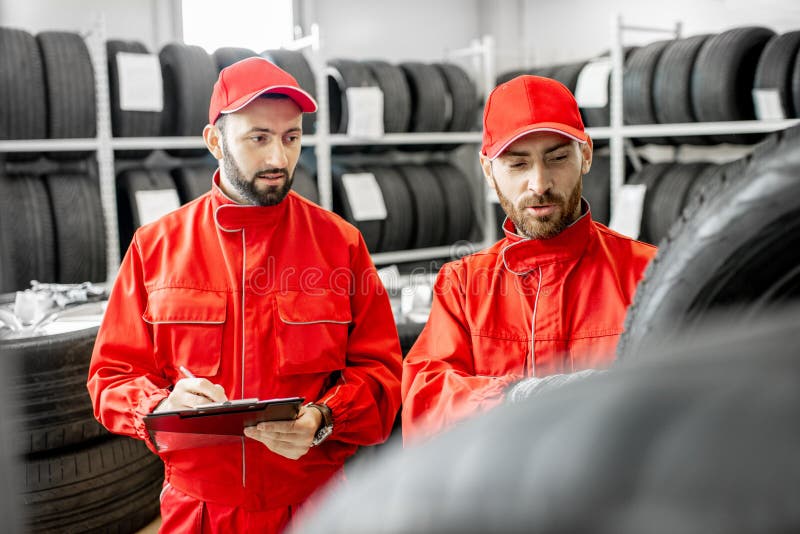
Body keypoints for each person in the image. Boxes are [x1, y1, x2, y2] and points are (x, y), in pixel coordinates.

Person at [87, 57, 402, 533]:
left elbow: (383, 376)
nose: (279, 158)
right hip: (200, 513)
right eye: (259, 138)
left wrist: (324, 417)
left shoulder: (340, 245)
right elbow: (111, 377)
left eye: (291, 138)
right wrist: (157, 408)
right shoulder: (155, 248)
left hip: (316, 508)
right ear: (215, 141)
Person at [401, 75, 657, 443]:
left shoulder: (649, 274)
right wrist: (511, 398)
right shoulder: (462, 286)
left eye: (556, 158)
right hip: (501, 497)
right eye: (517, 165)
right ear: (488, 171)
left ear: (585, 155)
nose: (539, 184)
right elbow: (424, 405)